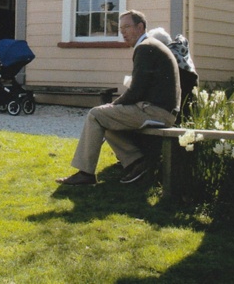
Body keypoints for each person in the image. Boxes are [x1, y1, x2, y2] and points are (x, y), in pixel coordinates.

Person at [56, 10, 181, 186]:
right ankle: (137, 162)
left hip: (156, 112)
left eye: (127, 27)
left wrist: (113, 106)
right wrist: (113, 109)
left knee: (95, 114)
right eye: (120, 28)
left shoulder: (145, 47)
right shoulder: (150, 45)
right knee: (104, 120)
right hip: (160, 110)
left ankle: (85, 173)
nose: (123, 32)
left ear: (140, 27)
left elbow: (136, 90)